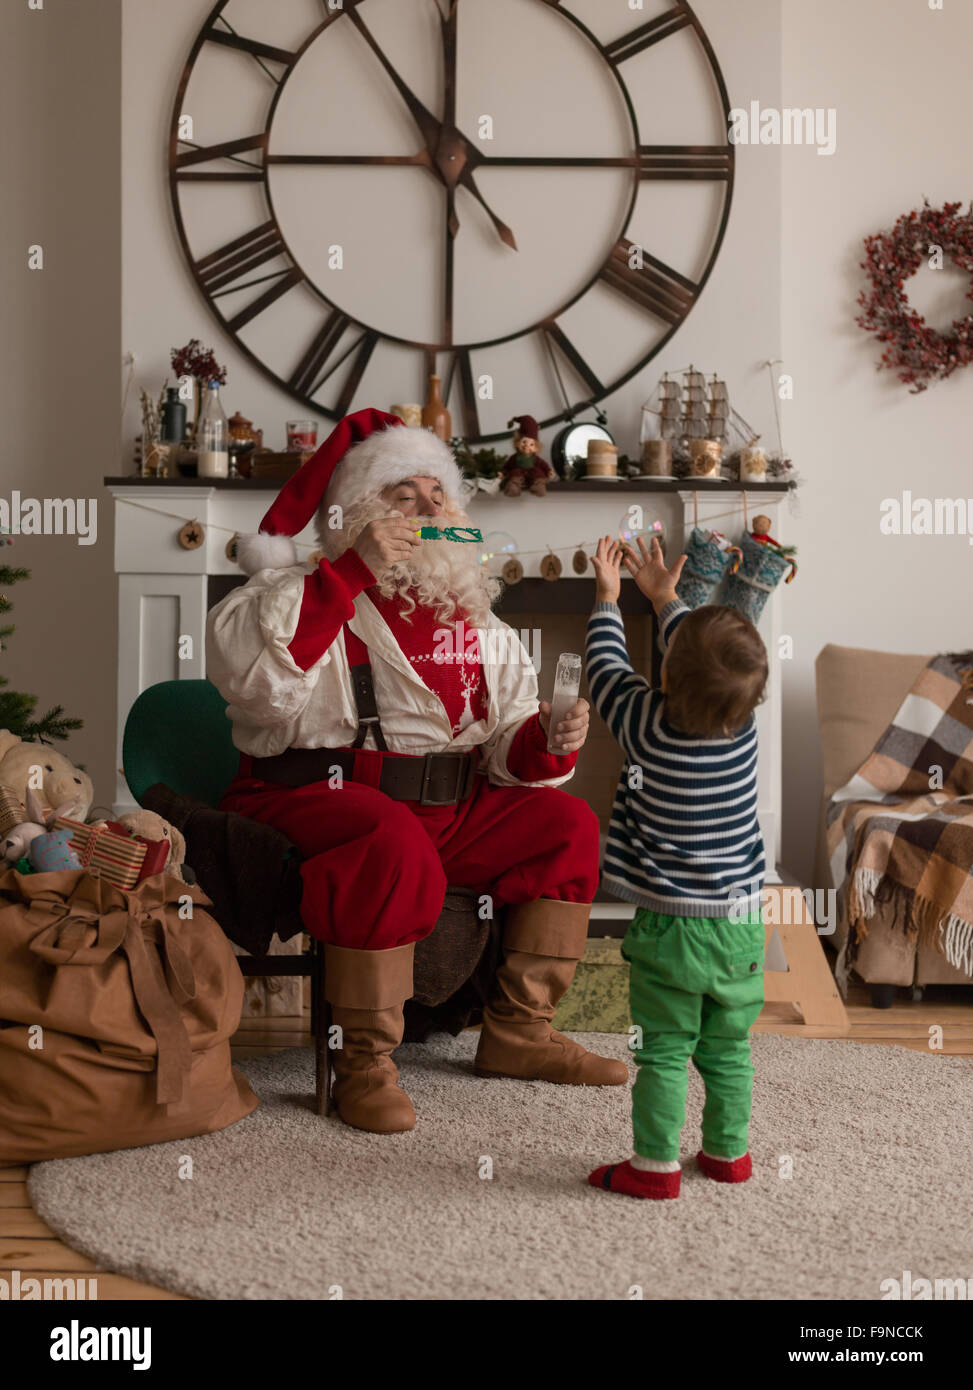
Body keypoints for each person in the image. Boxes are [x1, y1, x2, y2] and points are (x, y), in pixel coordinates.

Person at [206, 409, 626, 1136]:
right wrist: (349, 573)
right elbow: (259, 691)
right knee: (385, 836)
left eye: (439, 493)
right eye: (405, 495)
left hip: (446, 813)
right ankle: (362, 1061)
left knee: (565, 825)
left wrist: (544, 740)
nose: (430, 506)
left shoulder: (477, 625)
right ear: (355, 516)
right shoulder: (283, 594)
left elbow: (501, 747)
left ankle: (518, 1033)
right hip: (312, 796)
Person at [584, 535, 768, 1199]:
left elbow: (605, 669)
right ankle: (727, 1155)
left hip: (672, 930)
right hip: (744, 925)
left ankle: (654, 1169)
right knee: (727, 1048)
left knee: (662, 1048)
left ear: (663, 677)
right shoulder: (743, 725)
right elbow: (704, 661)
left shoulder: (645, 724)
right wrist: (666, 599)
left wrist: (609, 597)